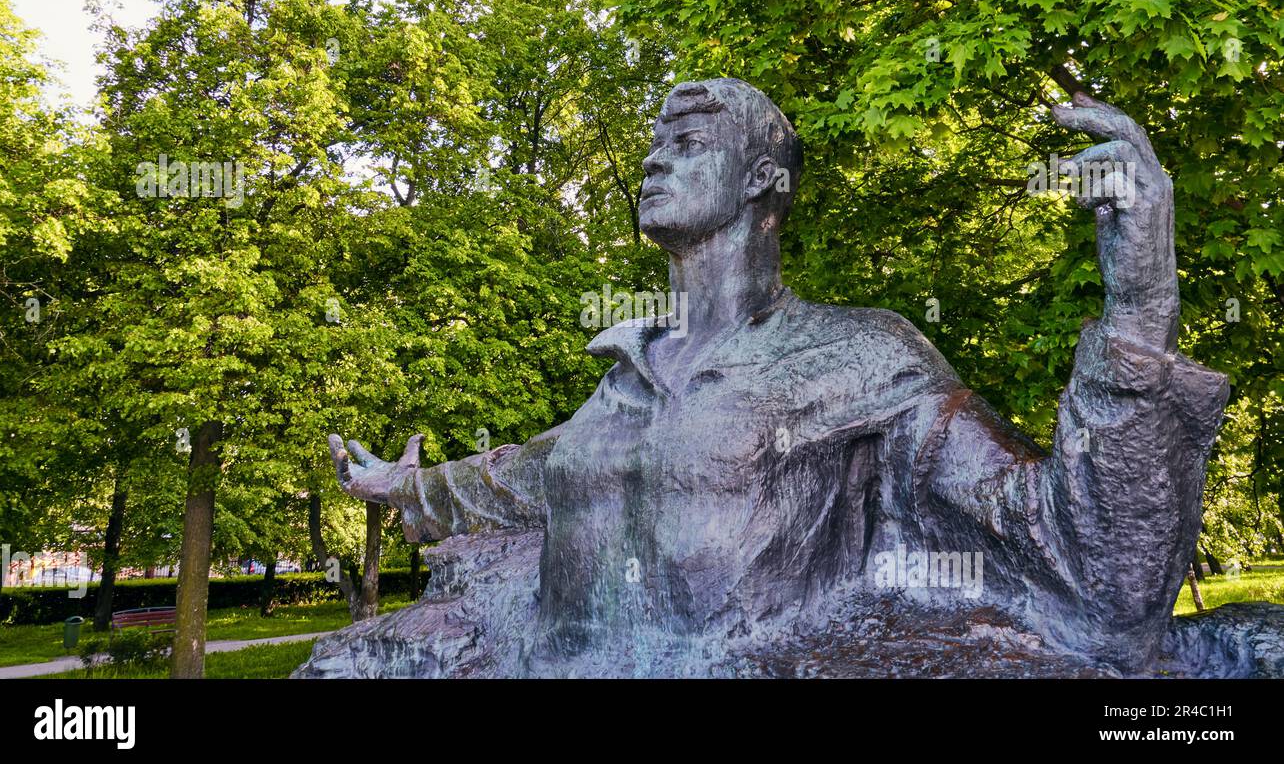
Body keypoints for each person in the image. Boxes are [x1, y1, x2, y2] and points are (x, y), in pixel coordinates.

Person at [327, 79, 1227, 675]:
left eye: (687, 140)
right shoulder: (622, 377)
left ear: (764, 179)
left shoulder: (865, 354)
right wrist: (398, 483)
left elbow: (1087, 563)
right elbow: (510, 478)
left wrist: (1139, 303)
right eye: (654, 142)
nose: (653, 158)